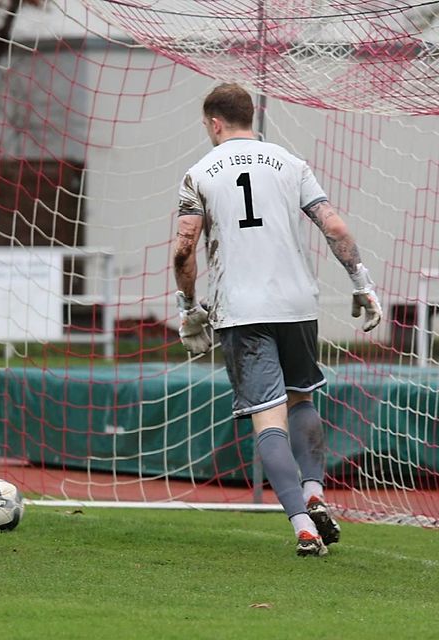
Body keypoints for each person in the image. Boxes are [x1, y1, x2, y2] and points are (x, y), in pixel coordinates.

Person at [173, 83, 382, 557]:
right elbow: (335, 225)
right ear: (252, 117)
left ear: (214, 123)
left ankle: (302, 527)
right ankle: (314, 493)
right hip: (296, 304)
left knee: (267, 418)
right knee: (301, 398)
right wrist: (361, 281)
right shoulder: (291, 163)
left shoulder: (199, 173)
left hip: (241, 311)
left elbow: (185, 247)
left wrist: (188, 309)